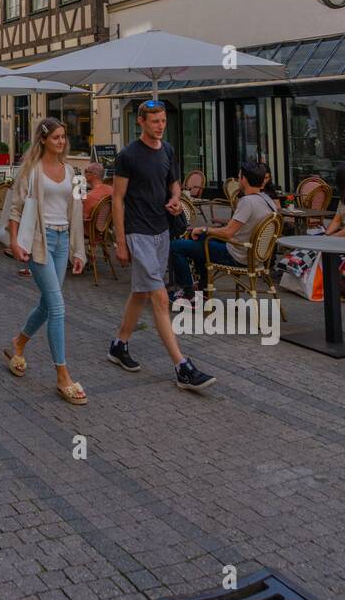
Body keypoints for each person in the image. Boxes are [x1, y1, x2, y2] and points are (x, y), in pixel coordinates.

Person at [110, 101, 215, 392]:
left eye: (163, 120)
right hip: (138, 232)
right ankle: (182, 367)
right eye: (154, 121)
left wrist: (175, 199)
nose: (160, 125)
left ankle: (119, 344)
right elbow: (117, 199)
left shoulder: (167, 151)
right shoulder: (128, 156)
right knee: (160, 298)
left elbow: (175, 184)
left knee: (141, 292)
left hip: (161, 230)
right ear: (140, 122)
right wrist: (120, 241)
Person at [4, 118, 88, 406]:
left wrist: (80, 250)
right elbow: (15, 209)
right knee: (57, 306)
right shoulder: (31, 171)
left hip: (63, 241)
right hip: (39, 241)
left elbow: (77, 212)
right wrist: (15, 242)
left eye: (64, 137)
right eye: (56, 138)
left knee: (47, 303)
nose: (62, 142)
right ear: (43, 140)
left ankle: (19, 343)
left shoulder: (73, 172)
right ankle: (62, 375)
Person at [170, 160, 277, 299]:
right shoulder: (268, 201)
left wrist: (204, 229)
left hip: (236, 255)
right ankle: (202, 289)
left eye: (239, 177)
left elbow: (227, 232)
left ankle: (188, 294)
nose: (239, 179)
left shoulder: (247, 202)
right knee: (201, 239)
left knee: (176, 246)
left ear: (244, 179)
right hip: (254, 255)